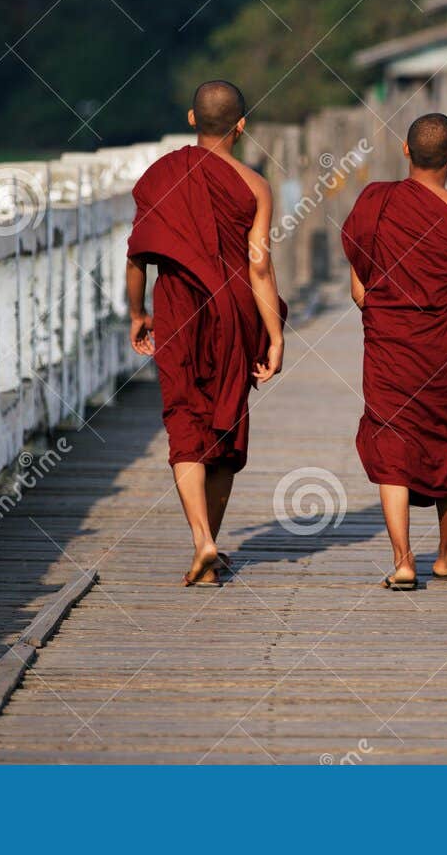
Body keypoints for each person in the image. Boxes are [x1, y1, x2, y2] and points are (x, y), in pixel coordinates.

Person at [126, 80, 286, 588]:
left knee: (183, 417)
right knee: (225, 421)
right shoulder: (257, 186)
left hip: (178, 306)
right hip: (234, 310)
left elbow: (139, 254)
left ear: (193, 119)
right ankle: (209, 544)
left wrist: (135, 312)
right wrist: (275, 334)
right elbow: (259, 267)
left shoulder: (164, 176)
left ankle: (203, 542)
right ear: (242, 126)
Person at [342, 113, 447, 590]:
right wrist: (445, 327)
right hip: (446, 349)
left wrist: (391, 315)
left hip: (389, 346)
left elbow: (360, 293)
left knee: (392, 438)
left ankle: (403, 560)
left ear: (406, 151)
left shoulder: (375, 202)